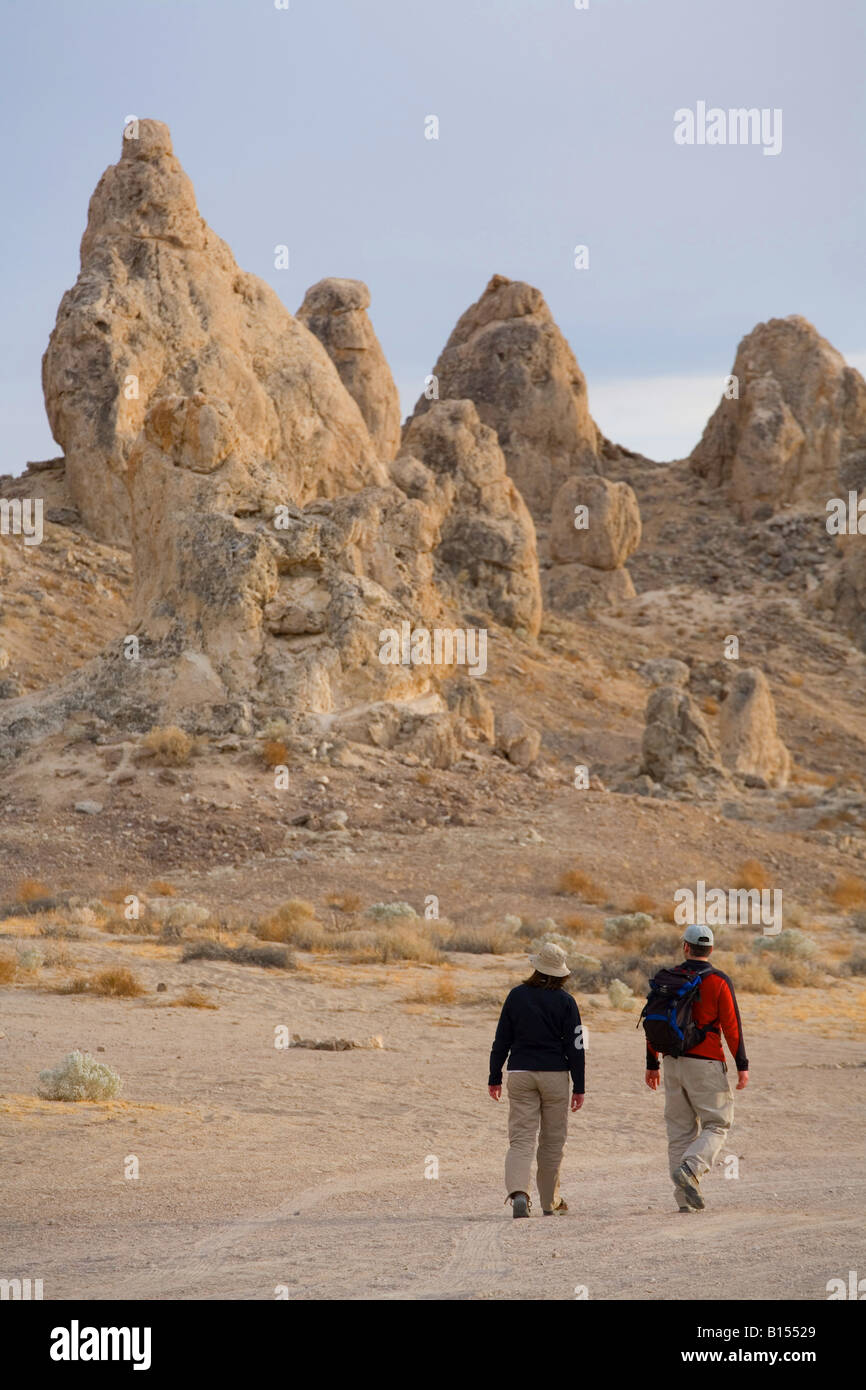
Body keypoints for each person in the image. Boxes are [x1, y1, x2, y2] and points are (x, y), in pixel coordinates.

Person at [644, 923, 749, 1212]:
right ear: (711, 949)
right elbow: (732, 1026)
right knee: (717, 1124)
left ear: (686, 947)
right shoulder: (718, 980)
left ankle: (684, 1201)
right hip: (706, 1063)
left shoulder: (669, 979)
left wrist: (652, 1063)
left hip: (671, 1062)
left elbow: (653, 1022)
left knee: (679, 1131)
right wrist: (742, 1064)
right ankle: (691, 1169)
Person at [488, 941, 585, 1218]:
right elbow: (576, 1046)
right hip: (555, 1075)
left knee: (521, 1139)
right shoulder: (567, 1002)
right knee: (553, 1141)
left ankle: (519, 1192)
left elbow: (501, 1039)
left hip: (520, 1073)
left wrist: (494, 1076)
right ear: (561, 973)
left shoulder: (516, 996)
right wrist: (579, 1086)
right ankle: (550, 1202)